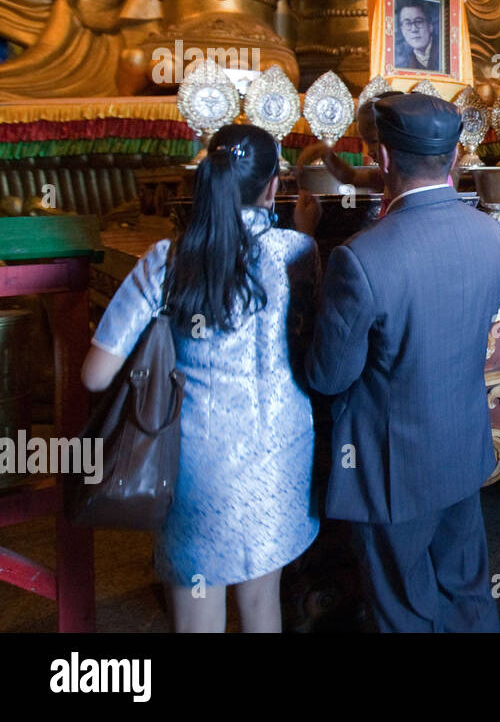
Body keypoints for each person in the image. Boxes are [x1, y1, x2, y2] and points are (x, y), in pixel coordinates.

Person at [83, 124, 321, 632]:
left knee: (197, 611)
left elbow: (96, 377)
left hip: (199, 460)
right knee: (263, 604)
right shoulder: (299, 252)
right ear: (273, 187)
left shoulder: (168, 260)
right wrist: (307, 229)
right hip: (282, 449)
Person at [306, 92, 500, 632]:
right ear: (455, 156)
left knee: (403, 607)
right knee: (468, 590)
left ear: (384, 157)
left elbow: (329, 376)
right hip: (462, 448)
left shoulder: (361, 257)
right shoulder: (489, 234)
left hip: (394, 468)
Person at [296, 88, 395, 198]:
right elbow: (352, 177)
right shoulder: (387, 175)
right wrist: (326, 154)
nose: (369, 152)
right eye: (367, 143)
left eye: (374, 141)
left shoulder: (401, 179)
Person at [394, 0, 441, 71]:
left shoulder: (443, 51)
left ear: (430, 26)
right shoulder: (403, 62)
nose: (414, 29)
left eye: (419, 22)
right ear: (402, 30)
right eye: (408, 23)